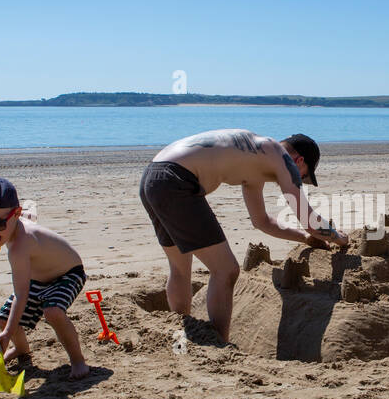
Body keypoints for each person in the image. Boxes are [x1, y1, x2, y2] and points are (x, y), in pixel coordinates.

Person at [139, 129, 349, 343]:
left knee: (180, 269)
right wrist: (340, 238)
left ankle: (181, 330)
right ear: (299, 160)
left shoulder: (256, 159)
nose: (300, 180)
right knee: (226, 270)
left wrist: (304, 238)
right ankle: (219, 344)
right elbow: (310, 220)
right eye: (303, 176)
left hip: (152, 178)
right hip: (177, 181)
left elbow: (262, 222)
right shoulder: (282, 158)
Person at [0, 176, 90, 379]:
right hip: (38, 279)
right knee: (4, 318)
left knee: (53, 312)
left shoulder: (20, 246)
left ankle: (78, 361)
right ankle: (22, 349)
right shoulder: (13, 225)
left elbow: (21, 293)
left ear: (15, 215)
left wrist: (7, 333)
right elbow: (26, 214)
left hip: (68, 274)